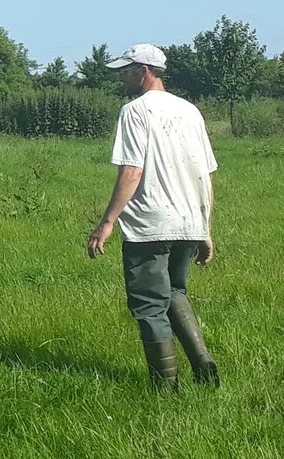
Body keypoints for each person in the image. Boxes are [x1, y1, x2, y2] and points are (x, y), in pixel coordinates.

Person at [86, 43, 220, 391]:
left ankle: (165, 387)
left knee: (149, 305)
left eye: (125, 70)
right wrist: (204, 228)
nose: (120, 77)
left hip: (150, 223)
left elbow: (132, 169)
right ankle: (202, 359)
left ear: (144, 71)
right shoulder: (190, 111)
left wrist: (108, 221)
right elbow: (205, 174)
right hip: (189, 221)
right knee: (174, 290)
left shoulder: (135, 111)